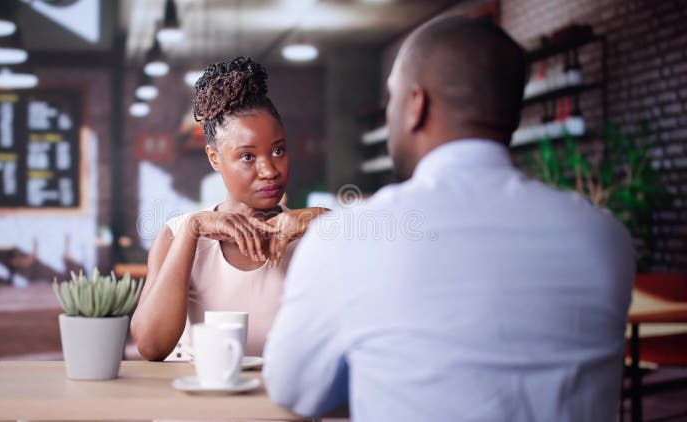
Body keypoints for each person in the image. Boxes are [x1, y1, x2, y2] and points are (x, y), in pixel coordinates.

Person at [263, 16, 634, 421]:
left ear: (416, 106)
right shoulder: (604, 238)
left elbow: (293, 389)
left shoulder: (345, 237)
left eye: (393, 100)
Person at [131, 57, 328, 361]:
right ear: (214, 158)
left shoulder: (311, 234)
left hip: (280, 406)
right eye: (248, 157)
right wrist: (192, 230)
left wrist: (323, 217)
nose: (269, 170)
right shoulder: (175, 236)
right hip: (196, 405)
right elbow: (151, 346)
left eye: (278, 150)